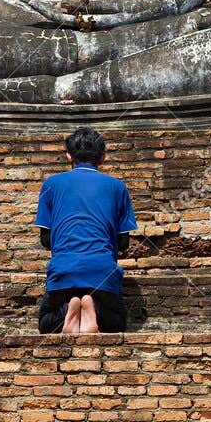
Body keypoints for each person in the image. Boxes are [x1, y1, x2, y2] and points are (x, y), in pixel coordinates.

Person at [35, 127, 136, 334]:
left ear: (69, 156)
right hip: (102, 273)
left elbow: (46, 240)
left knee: (45, 322)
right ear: (103, 157)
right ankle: (94, 310)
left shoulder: (51, 184)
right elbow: (124, 244)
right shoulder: (118, 187)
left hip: (64, 271)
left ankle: (67, 310)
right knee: (117, 322)